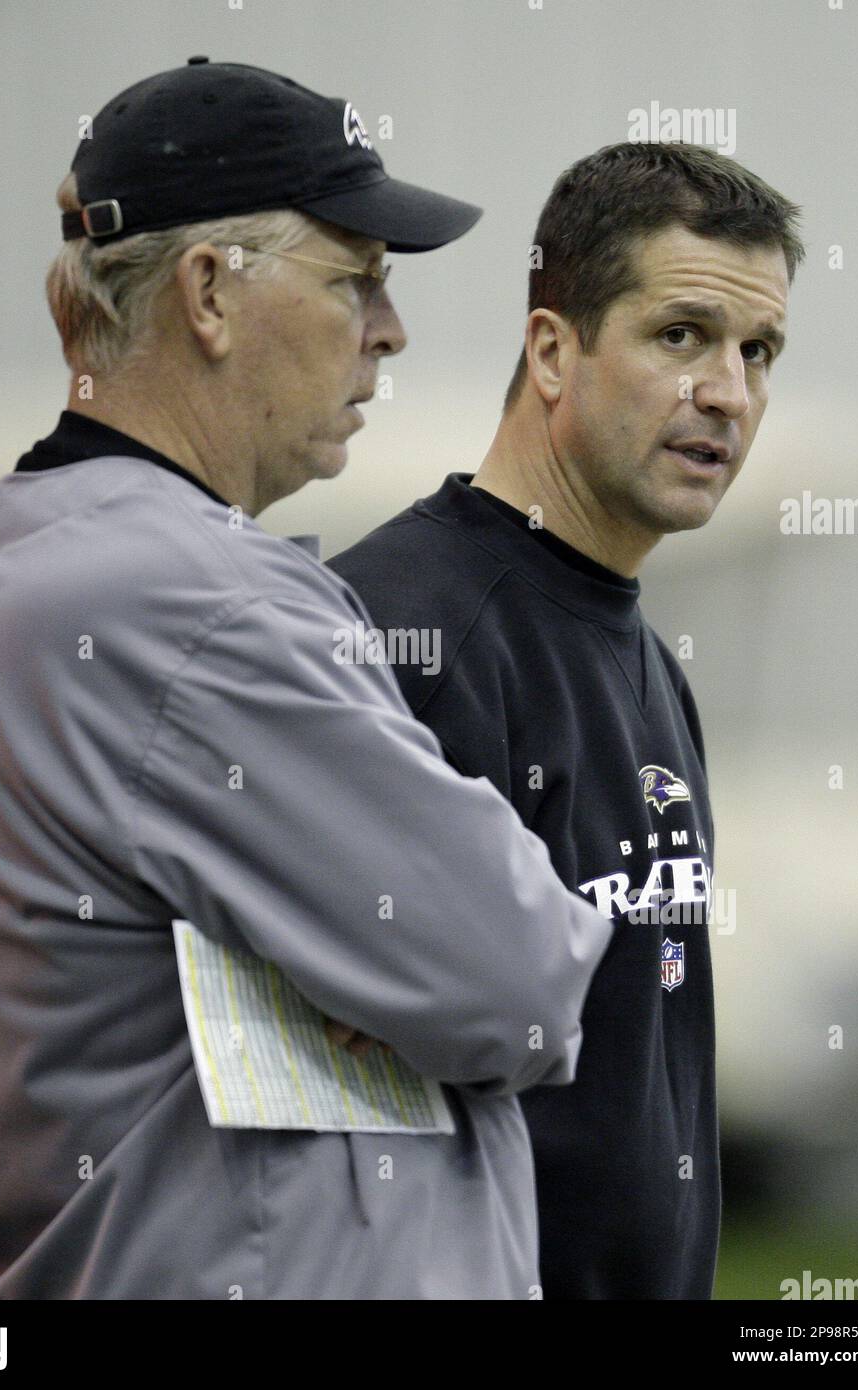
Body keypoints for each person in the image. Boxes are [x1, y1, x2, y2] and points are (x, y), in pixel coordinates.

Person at [0, 58, 612, 1300]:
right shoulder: (189, 598)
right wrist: (403, 971)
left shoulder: (59, 560)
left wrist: (375, 965)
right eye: (354, 279)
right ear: (209, 294)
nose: (389, 328)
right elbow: (516, 975)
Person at [331, 141, 804, 1298]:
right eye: (679, 335)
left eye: (757, 351)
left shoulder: (643, 652)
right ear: (552, 349)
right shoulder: (395, 638)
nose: (727, 394)